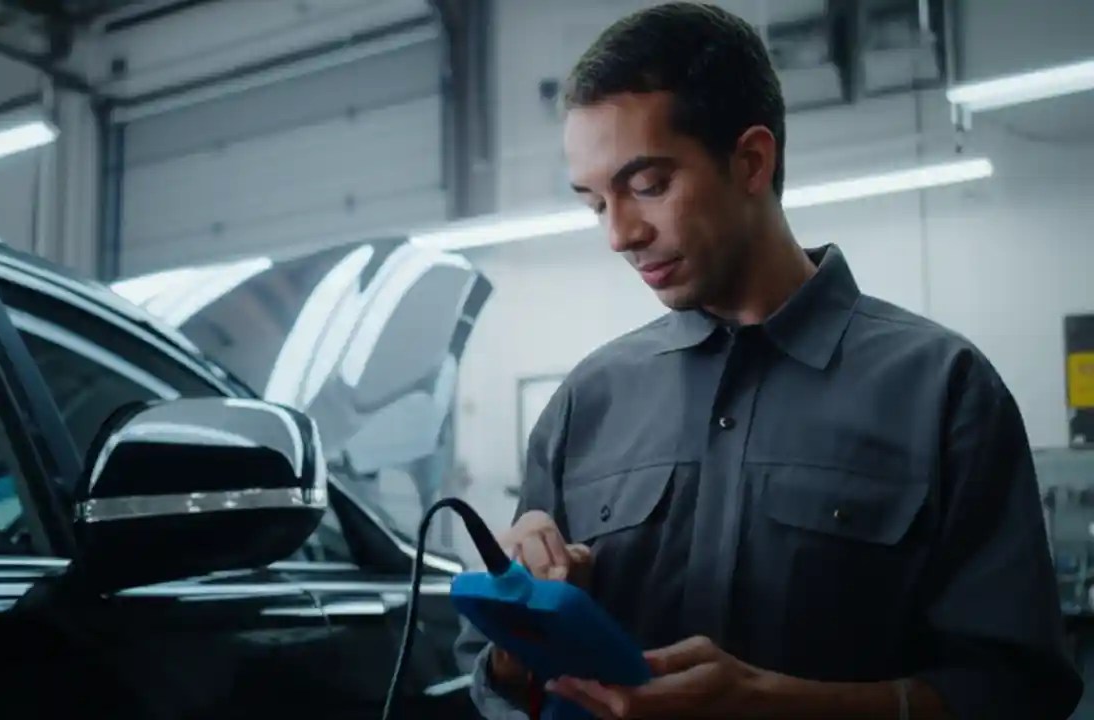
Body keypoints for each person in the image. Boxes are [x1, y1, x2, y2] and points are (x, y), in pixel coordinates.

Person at [456, 3, 1083, 719]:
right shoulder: (586, 403)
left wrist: (779, 706)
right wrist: (519, 644)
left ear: (752, 160)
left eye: (648, 185)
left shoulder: (943, 391)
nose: (620, 234)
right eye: (595, 202)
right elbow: (497, 686)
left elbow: (1018, 688)